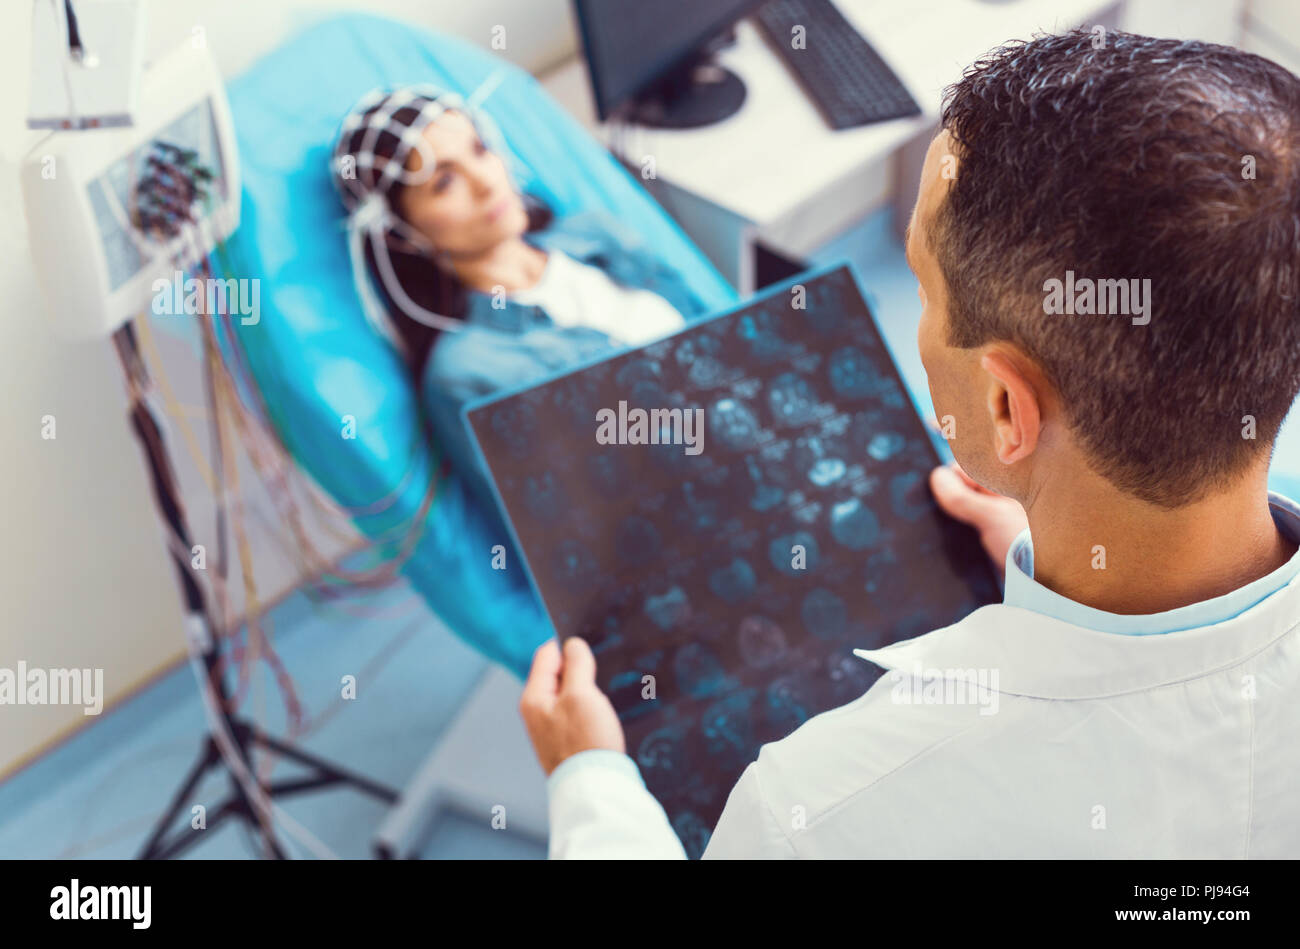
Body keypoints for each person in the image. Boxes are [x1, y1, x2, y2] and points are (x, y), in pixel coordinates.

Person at [518, 29, 1300, 858]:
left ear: (1007, 407)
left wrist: (590, 783)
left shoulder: (820, 807)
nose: (917, 316)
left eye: (921, 286)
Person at [330, 85, 712, 508]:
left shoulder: (597, 233)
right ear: (399, 233)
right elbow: (566, 529)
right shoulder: (466, 374)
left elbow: (721, 333)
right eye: (444, 181)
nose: (486, 181)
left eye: (479, 149)